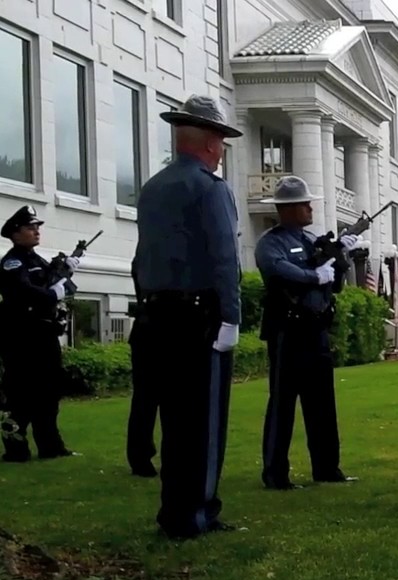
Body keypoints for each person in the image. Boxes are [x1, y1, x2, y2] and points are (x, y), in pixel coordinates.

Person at [134, 95, 243, 539]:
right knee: (203, 422)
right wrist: (231, 317)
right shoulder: (209, 187)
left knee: (172, 420)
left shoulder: (153, 188)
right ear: (212, 142)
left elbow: (141, 260)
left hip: (157, 314)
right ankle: (197, 513)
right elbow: (223, 257)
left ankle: (173, 509)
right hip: (199, 317)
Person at [255, 176, 359, 490]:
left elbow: (334, 285)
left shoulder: (314, 240)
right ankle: (275, 472)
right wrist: (313, 275)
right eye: (304, 204)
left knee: (322, 403)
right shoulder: (271, 242)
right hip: (288, 330)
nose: (310, 208)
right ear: (288, 208)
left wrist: (341, 260)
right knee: (283, 403)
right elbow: (276, 269)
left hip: (316, 329)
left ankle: (327, 467)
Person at [0, 205, 77, 462]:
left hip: (45, 335)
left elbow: (60, 283)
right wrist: (53, 292)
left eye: (37, 227)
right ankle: (15, 449)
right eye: (30, 227)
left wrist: (65, 270)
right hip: (22, 337)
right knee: (19, 394)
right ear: (15, 232)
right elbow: (24, 291)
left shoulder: (37, 260)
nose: (36, 231)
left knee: (48, 393)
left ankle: (51, 446)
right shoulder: (13, 262)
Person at [126, 264, 160, 477]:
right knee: (145, 399)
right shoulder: (150, 256)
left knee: (145, 400)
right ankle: (140, 456)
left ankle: (141, 455)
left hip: (149, 327)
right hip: (151, 329)